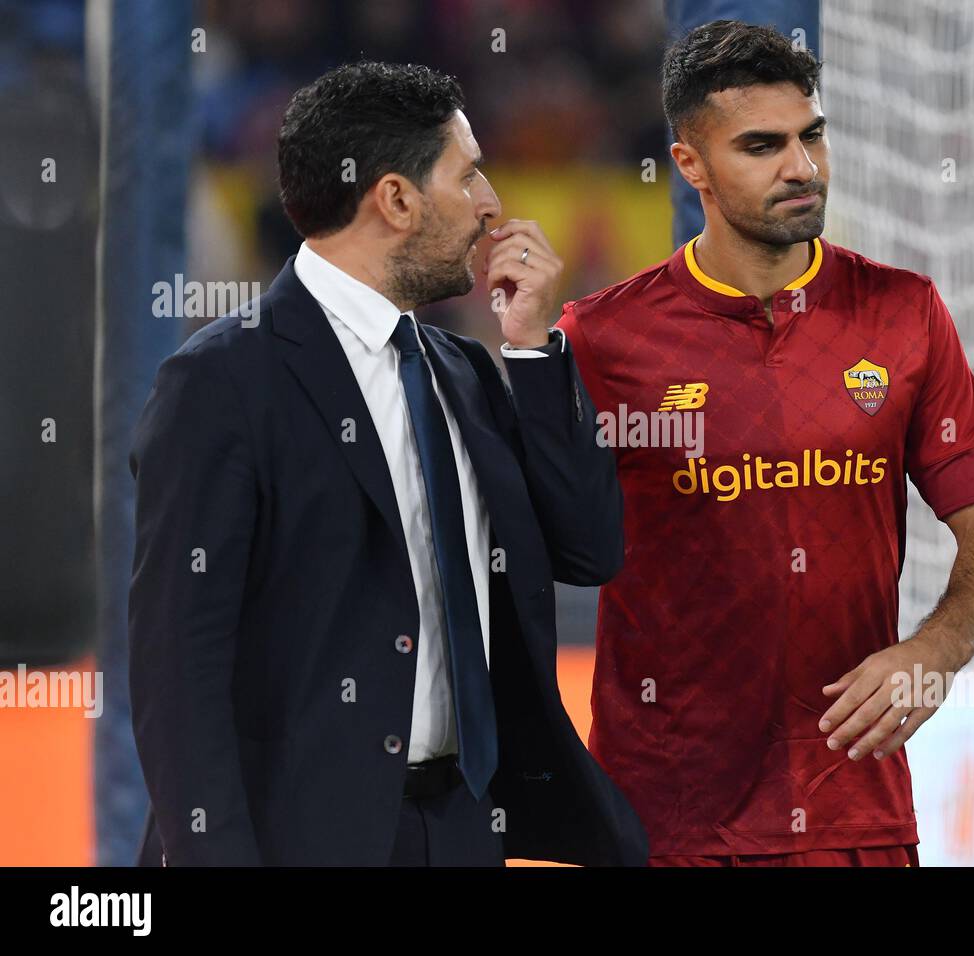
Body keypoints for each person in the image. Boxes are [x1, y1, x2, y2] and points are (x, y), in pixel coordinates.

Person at [128, 62, 645, 866]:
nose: (491, 204)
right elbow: (175, 669)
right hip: (298, 839)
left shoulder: (466, 374)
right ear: (397, 200)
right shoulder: (220, 385)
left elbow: (590, 548)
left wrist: (536, 351)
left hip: (466, 830)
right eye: (469, 173)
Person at [556, 21, 974, 867]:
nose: (802, 167)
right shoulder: (602, 338)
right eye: (762, 146)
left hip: (854, 810)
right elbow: (546, 543)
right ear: (690, 165)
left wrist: (935, 650)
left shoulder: (904, 312)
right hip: (662, 821)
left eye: (812, 135)